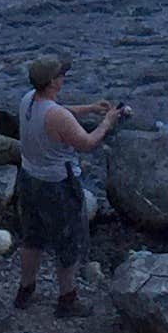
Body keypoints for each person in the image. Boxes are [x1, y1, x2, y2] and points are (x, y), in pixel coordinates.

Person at [15, 54, 121, 315]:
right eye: (61, 74)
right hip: (57, 186)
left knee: (32, 238)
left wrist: (89, 108)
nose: (64, 77)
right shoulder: (56, 116)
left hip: (28, 179)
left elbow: (59, 113)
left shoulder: (28, 100)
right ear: (53, 82)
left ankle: (25, 290)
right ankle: (67, 299)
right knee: (67, 242)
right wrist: (106, 122)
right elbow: (86, 143)